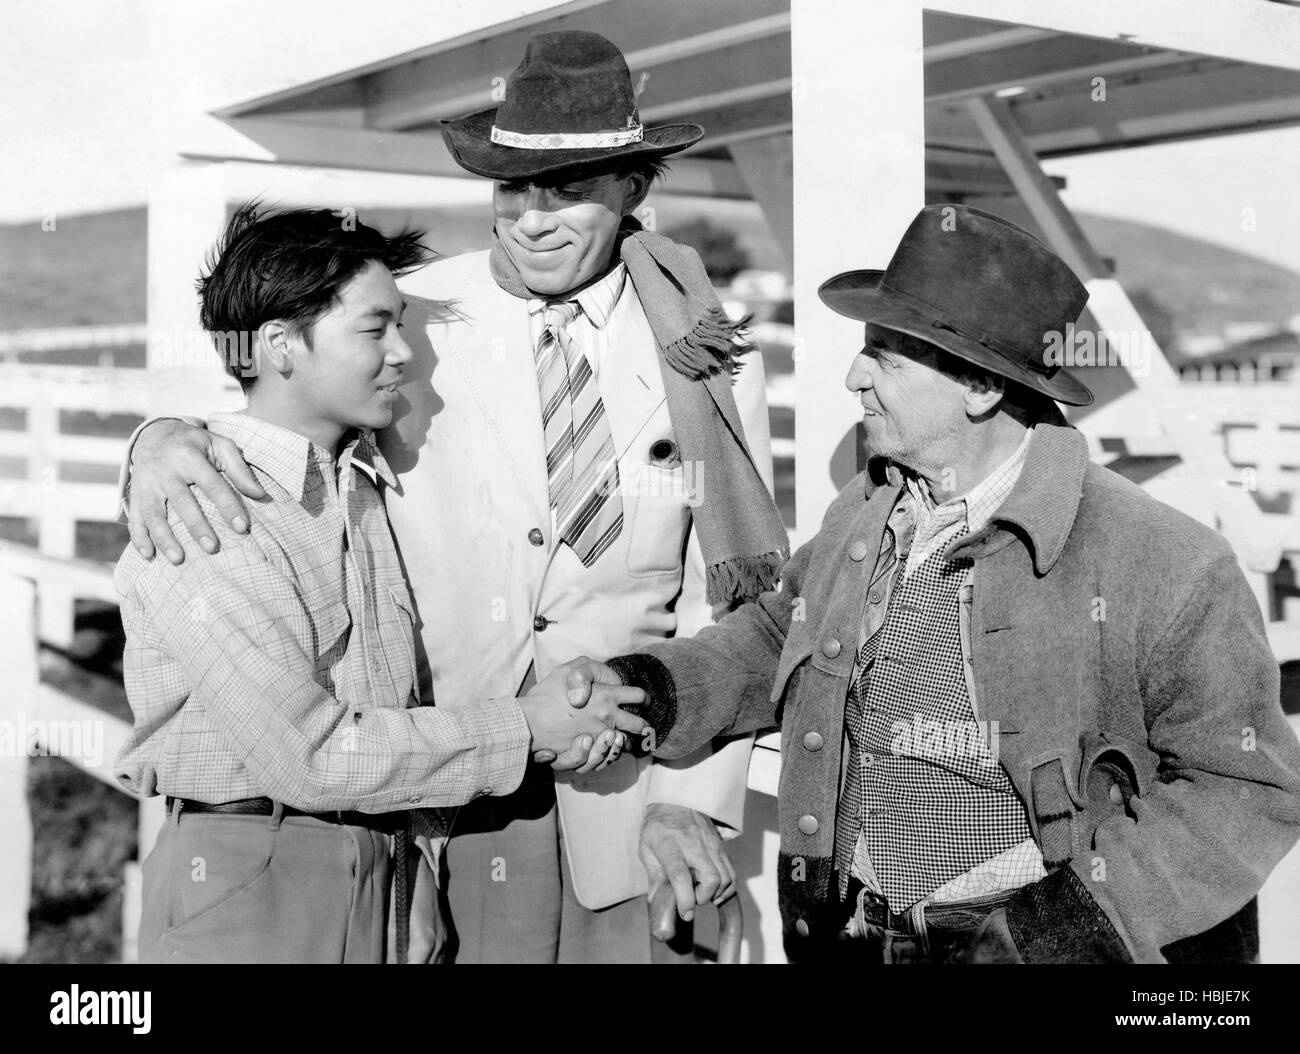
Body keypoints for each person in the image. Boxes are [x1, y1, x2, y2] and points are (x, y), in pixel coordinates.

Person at [118, 31, 786, 964]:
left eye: (572, 188)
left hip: (630, 793)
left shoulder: (708, 352)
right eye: (515, 188)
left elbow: (734, 597)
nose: (535, 219)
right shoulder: (409, 317)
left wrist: (692, 810)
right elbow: (273, 401)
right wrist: (156, 445)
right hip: (438, 805)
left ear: (634, 188)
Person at [567, 204, 1300, 963]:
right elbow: (773, 638)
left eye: (884, 354)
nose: (854, 377)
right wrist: (645, 689)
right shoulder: (870, 511)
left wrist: (1058, 932)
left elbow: (1247, 790)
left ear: (979, 387)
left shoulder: (1167, 562)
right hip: (850, 938)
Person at [114, 204, 646, 964]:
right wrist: (526, 728)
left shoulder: (358, 484)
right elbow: (309, 753)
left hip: (380, 868)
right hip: (248, 879)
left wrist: (413, 869)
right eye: (374, 330)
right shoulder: (206, 509)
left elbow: (390, 702)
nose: (403, 353)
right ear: (278, 346)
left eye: (402, 324)